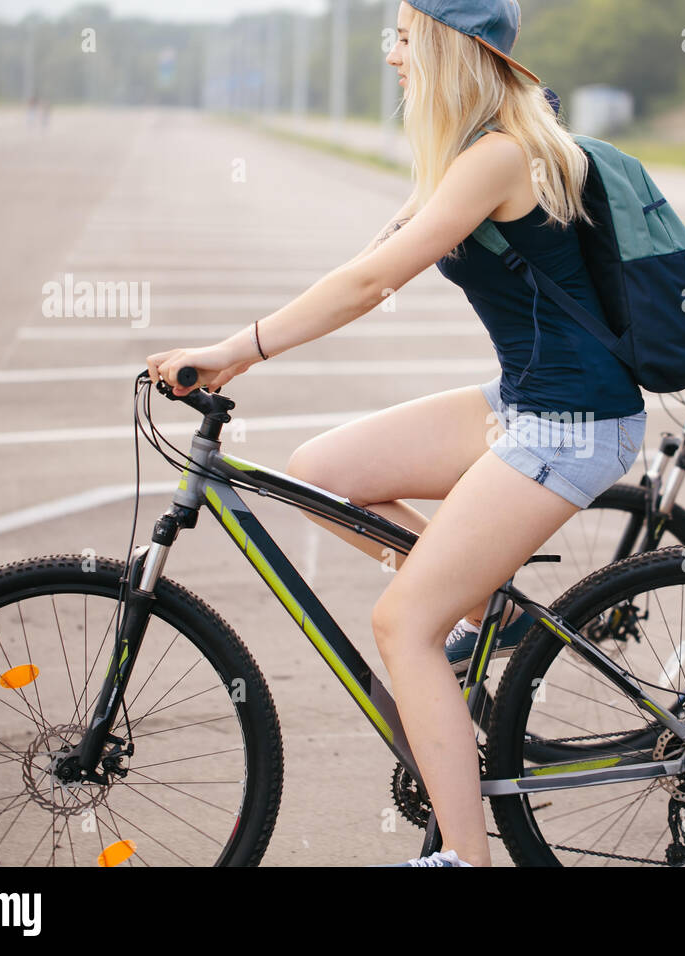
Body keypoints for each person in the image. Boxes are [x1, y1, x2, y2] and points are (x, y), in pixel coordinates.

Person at [146, 0, 647, 867]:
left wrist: (236, 351)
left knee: (405, 627)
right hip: (525, 402)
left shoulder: (499, 156)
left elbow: (375, 282)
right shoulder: (467, 152)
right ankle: (487, 600)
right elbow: (362, 265)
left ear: (449, 49)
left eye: (404, 40)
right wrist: (243, 346)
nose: (391, 58)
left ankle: (464, 856)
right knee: (321, 470)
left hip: (574, 423)